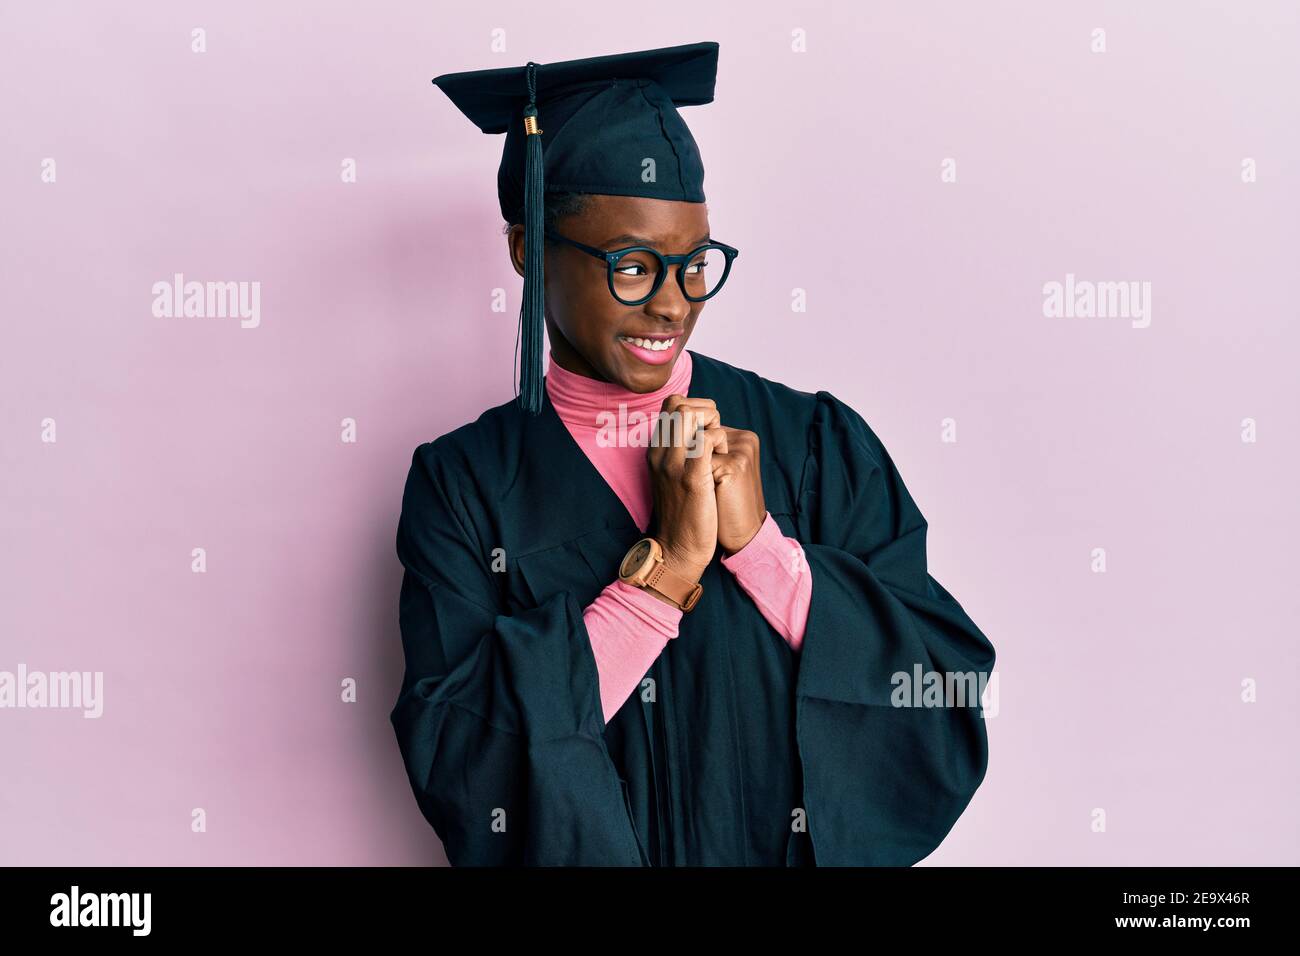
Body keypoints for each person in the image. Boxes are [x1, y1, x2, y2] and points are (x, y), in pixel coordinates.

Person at [389, 41, 996, 866]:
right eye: (632, 266)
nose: (672, 304)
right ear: (530, 252)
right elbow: (462, 763)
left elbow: (940, 696)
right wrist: (664, 577)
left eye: (692, 265)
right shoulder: (466, 488)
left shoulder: (811, 442)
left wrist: (767, 555)